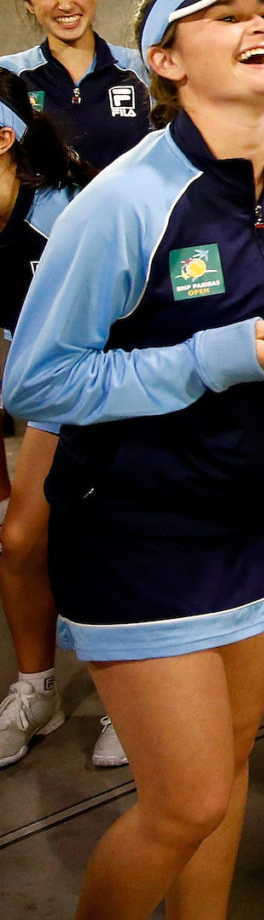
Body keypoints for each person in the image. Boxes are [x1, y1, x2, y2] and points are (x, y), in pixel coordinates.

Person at [4, 0, 264, 920]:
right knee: (186, 799)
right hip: (137, 534)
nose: (257, 25)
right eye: (221, 15)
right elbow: (35, 378)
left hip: (263, 523)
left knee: (232, 768)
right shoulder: (122, 204)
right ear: (164, 59)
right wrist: (212, 359)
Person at [0, 67, 108, 770]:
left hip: (126, 380)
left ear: (3, 138)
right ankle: (39, 691)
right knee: (18, 539)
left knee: (103, 537)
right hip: (59, 387)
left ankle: (134, 699)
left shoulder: (72, 215)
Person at [6, 0, 152, 170]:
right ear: (29, 4)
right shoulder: (9, 75)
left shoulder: (143, 68)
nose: (65, 4)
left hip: (128, 207)